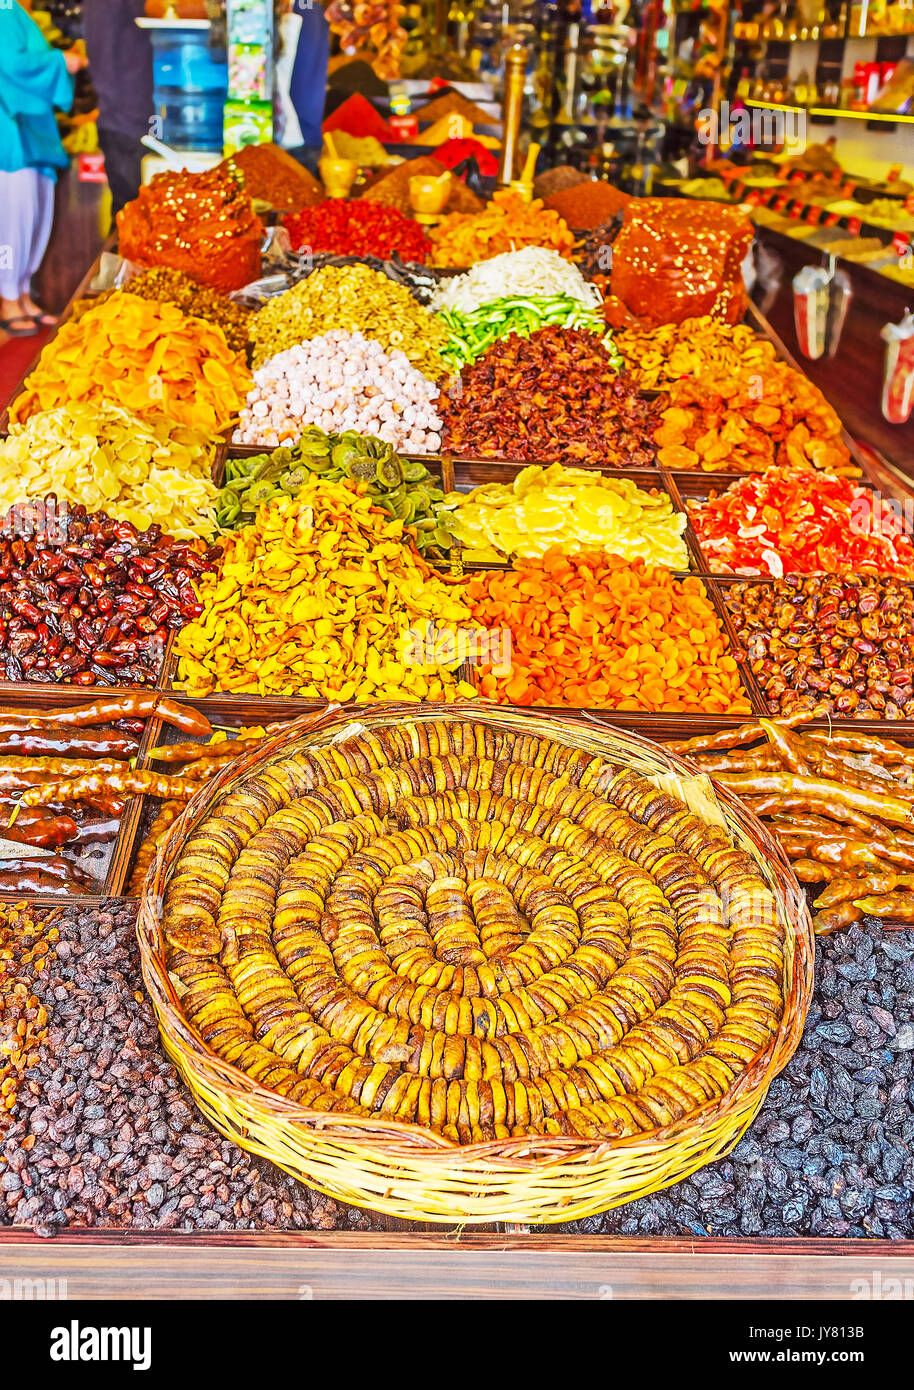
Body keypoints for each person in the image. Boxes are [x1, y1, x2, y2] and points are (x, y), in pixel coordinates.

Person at [0, 1, 86, 337]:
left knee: (34, 217)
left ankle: (21, 293)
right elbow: (11, 63)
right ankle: (8, 297)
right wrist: (62, 60)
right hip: (12, 128)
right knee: (14, 219)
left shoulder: (15, 9)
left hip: (32, 128)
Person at [82, 0, 154, 228]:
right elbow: (161, 8)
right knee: (136, 217)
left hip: (122, 115)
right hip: (132, 117)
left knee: (129, 213)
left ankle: (123, 260)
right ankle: (124, 262)